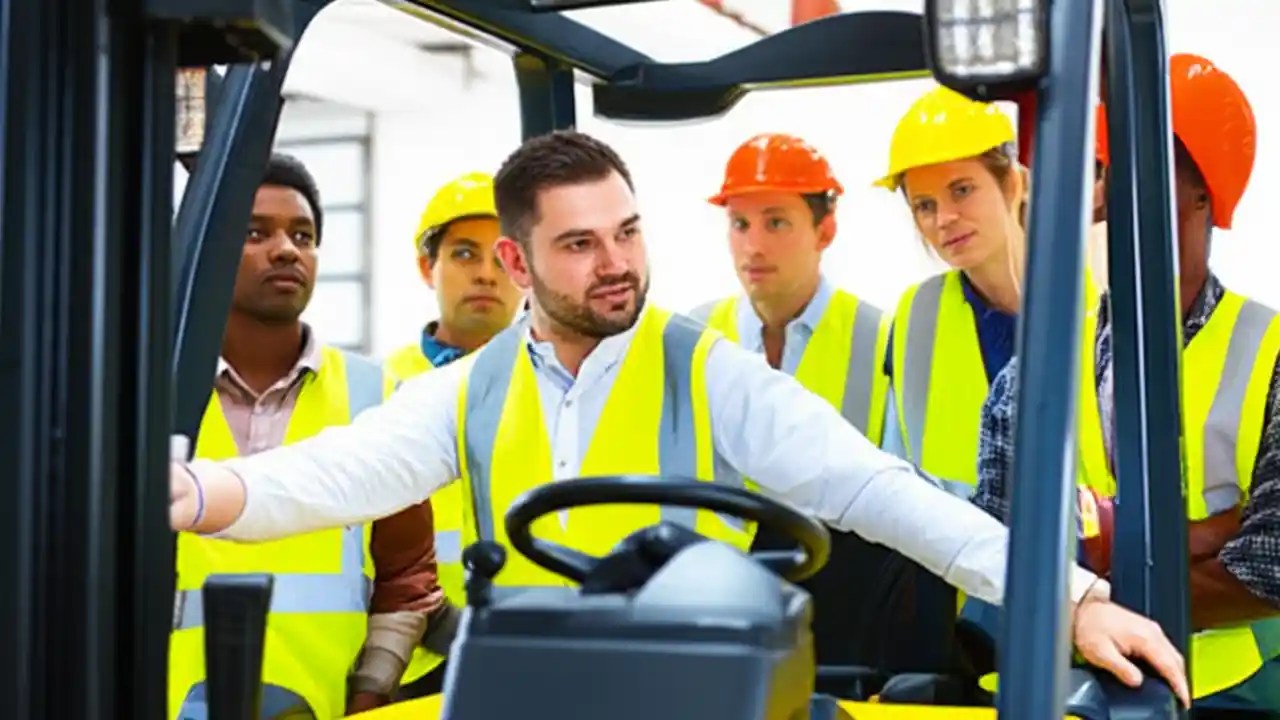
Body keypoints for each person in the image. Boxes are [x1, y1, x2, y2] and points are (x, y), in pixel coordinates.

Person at [168, 130, 1191, 706]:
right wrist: (202, 491)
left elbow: (877, 491)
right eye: (577, 246)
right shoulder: (468, 388)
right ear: (520, 263)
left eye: (625, 232)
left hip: (693, 691)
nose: (613, 263)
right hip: (528, 693)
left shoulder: (706, 370)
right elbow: (340, 470)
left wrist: (1068, 598)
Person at [973, 53, 1280, 710]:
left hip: (1232, 692)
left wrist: (1084, 578)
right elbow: (995, 549)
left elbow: (1273, 566)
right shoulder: (1036, 369)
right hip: (1065, 689)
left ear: (1205, 188)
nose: (1104, 195)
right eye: (1106, 169)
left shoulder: (1271, 353)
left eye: (1138, 165)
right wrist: (1211, 531)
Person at [168, 153, 445, 719]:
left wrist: (370, 694)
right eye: (255, 233)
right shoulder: (145, 392)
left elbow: (405, 577)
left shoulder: (378, 393)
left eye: (304, 235)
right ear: (207, 247)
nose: (287, 250)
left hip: (325, 709)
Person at [690, 133, 895, 668]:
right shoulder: (692, 339)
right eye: (740, 225)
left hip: (847, 603)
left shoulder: (881, 337)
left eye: (775, 222)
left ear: (824, 229)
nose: (752, 246)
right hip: (719, 602)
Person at [875, 86, 1106, 499]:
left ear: (1013, 183)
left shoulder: (1100, 295)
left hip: (1093, 557)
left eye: (961, 190)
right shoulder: (918, 315)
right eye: (924, 205)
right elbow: (899, 471)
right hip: (953, 556)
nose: (944, 218)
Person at [383, 171, 524, 697]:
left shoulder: (562, 385)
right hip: (410, 660)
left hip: (524, 648)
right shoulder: (380, 385)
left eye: (503, 257)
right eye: (465, 254)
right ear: (428, 267)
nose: (487, 275)